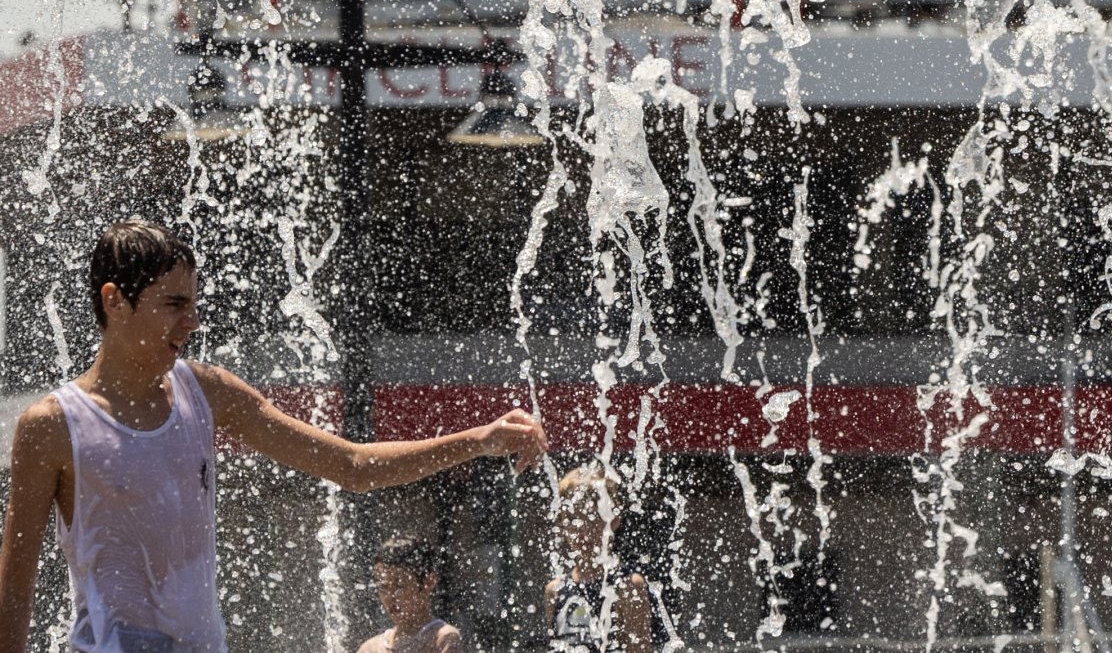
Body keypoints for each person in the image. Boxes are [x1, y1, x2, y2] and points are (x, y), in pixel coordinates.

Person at [0, 220, 546, 653]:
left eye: (193, 304)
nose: (192, 322)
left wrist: (478, 439)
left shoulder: (207, 393)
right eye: (173, 305)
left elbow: (351, 466)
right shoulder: (52, 426)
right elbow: (15, 584)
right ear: (115, 300)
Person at [544, 464, 651, 653]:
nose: (582, 530)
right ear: (562, 525)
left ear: (613, 520)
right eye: (572, 519)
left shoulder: (627, 586)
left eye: (592, 517)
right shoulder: (555, 590)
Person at [357, 536, 461, 653]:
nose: (390, 596)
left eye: (399, 586)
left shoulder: (441, 638)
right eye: (384, 587)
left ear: (428, 583)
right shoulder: (371, 648)